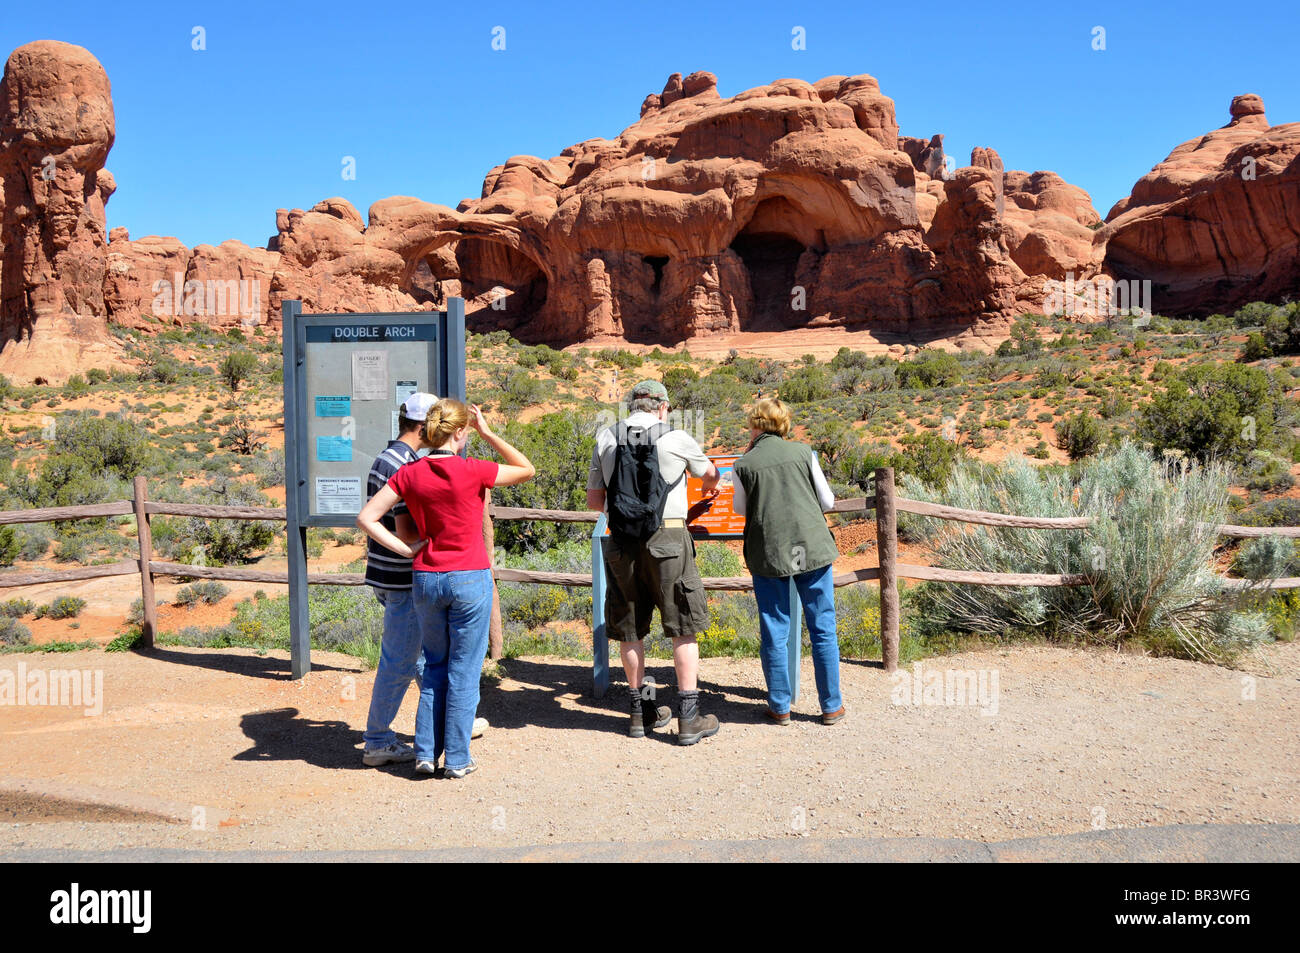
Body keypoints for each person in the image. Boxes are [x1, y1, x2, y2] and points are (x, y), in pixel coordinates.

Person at [357, 399, 534, 778]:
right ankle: (456, 759)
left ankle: (424, 753)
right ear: (458, 432)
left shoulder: (410, 473)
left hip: (426, 577)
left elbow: (366, 517)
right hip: (469, 576)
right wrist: (489, 433)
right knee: (464, 670)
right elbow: (526, 469)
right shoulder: (473, 470)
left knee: (434, 665)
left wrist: (407, 549)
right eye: (468, 431)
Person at [586, 379, 722, 745]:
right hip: (669, 539)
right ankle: (689, 719)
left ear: (631, 407)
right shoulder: (676, 438)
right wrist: (712, 486)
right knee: (682, 625)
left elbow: (594, 502)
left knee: (631, 629)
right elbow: (710, 474)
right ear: (662, 407)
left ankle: (640, 713)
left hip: (620, 542)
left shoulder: (606, 437)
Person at [732, 398, 845, 726]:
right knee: (822, 627)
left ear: (755, 425)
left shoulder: (743, 464)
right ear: (782, 424)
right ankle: (831, 706)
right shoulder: (803, 452)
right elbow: (828, 501)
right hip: (811, 547)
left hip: (769, 552)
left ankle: (780, 707)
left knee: (774, 629)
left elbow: (740, 509)